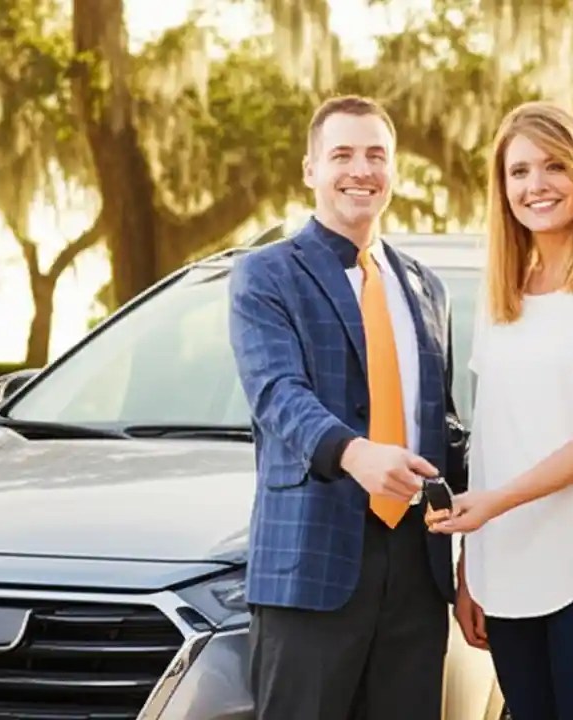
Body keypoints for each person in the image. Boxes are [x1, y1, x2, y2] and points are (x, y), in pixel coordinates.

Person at [428, 100, 573, 719]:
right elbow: (491, 437)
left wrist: (494, 507)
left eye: (554, 166)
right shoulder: (501, 291)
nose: (536, 185)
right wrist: (470, 570)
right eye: (519, 171)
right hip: (509, 566)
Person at [227, 95, 463, 720]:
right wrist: (354, 454)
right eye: (342, 155)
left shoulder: (425, 287)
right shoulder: (265, 275)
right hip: (311, 562)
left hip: (418, 568)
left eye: (376, 155)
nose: (361, 169)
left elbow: (443, 426)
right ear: (311, 170)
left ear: (393, 171)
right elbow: (277, 393)